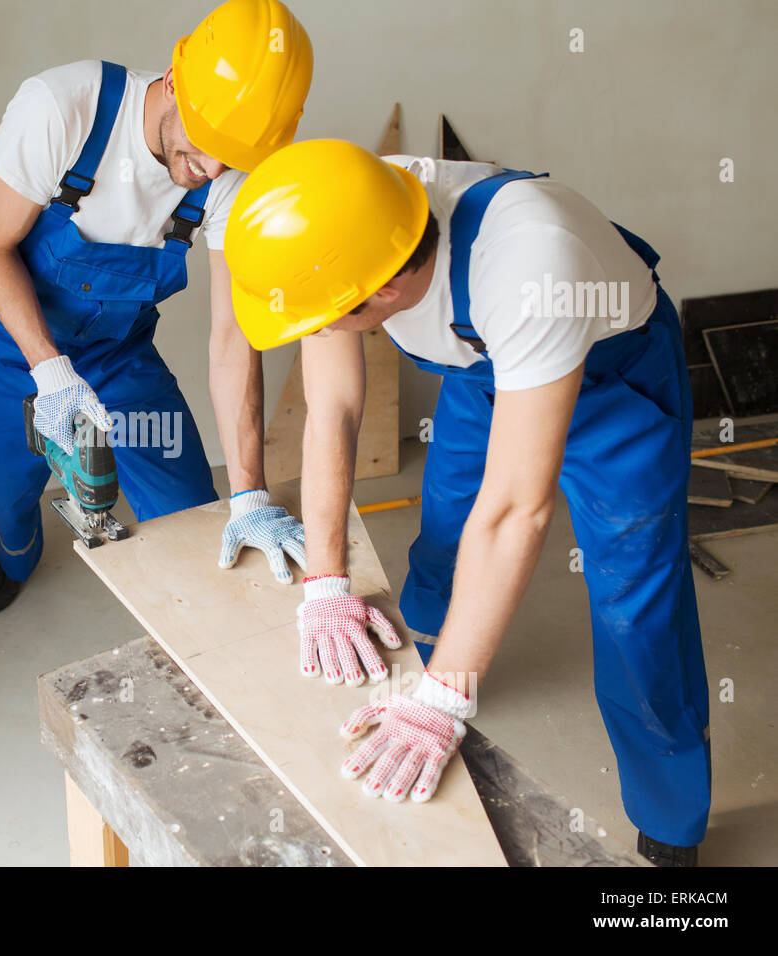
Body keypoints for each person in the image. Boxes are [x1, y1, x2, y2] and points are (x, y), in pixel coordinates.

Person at [222, 139, 710, 866]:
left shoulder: (530, 262)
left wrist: (445, 703)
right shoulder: (350, 217)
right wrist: (326, 581)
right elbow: (332, 413)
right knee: (446, 536)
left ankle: (671, 821)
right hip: (486, 369)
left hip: (616, 383)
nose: (312, 333)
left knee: (635, 604)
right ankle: (425, 662)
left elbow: (518, 511)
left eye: (320, 319)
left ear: (382, 292)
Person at [0, 0, 315, 613]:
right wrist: (49, 369)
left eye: (235, 155)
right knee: (3, 490)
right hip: (2, 343)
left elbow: (233, 336)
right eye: (207, 142)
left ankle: (206, 625)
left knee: (192, 504)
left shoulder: (230, 177)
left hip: (117, 355)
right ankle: (16, 555)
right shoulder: (63, 109)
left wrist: (250, 494)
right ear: (174, 80)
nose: (213, 169)